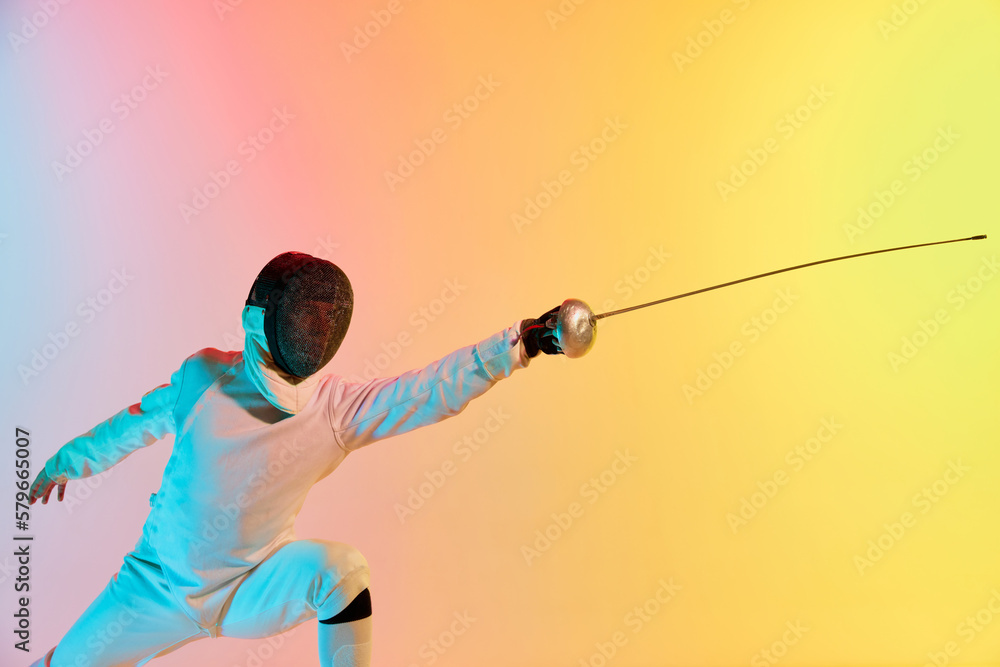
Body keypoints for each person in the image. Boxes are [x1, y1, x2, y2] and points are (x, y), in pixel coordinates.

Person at [27, 252, 566, 667]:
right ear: (263, 319)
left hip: (249, 588)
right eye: (307, 317)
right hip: (155, 588)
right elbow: (134, 423)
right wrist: (64, 462)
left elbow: (424, 392)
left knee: (342, 573)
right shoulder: (204, 378)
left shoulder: (333, 410)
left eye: (324, 321)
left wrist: (518, 346)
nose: (314, 332)